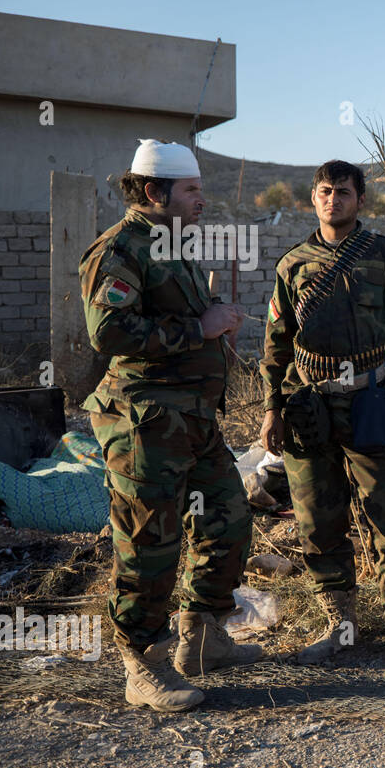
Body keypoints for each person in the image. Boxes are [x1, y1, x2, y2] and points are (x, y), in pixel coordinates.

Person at [81, 139, 260, 713]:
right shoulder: (119, 249)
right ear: (155, 193)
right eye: (191, 190)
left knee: (229, 518)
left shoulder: (173, 244)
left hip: (193, 418)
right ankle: (142, 663)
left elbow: (182, 318)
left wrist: (215, 325)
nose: (202, 200)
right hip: (144, 423)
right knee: (148, 544)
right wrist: (199, 330)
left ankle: (202, 638)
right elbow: (108, 335)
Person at [259, 160, 385, 673]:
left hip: (367, 402)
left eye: (343, 192)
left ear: (359, 200)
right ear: (313, 198)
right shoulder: (293, 266)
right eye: (324, 192)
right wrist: (272, 408)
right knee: (318, 520)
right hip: (308, 406)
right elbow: (276, 348)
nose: (333, 200)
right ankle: (340, 626)